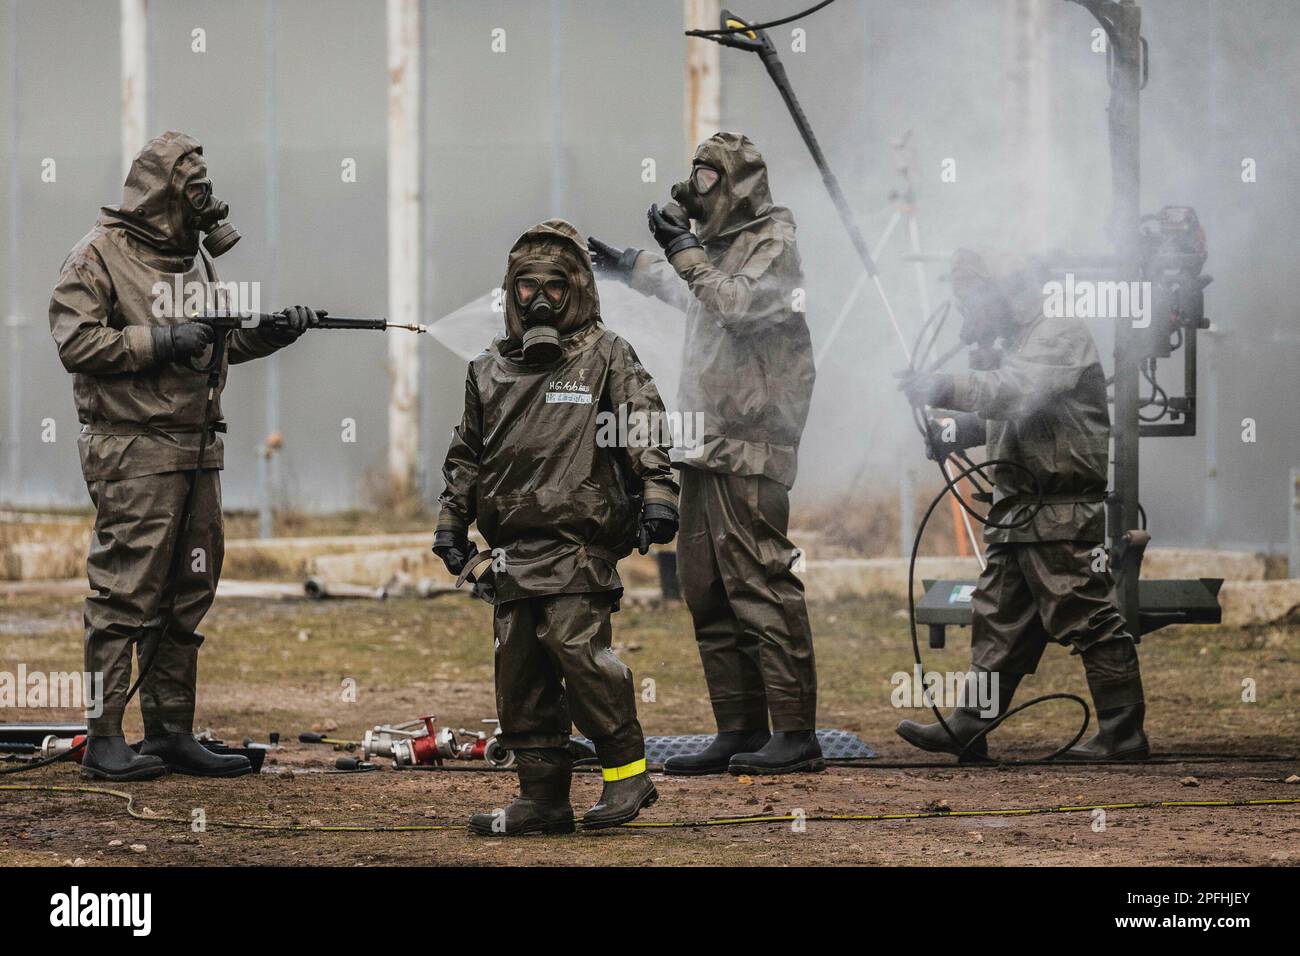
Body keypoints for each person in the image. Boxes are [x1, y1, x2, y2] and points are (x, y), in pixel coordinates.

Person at [48, 131, 316, 781]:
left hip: (198, 449)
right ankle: (105, 737)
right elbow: (77, 341)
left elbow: (207, 344)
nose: (206, 199)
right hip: (132, 449)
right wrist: (161, 340)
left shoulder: (192, 259)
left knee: (185, 594)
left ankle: (169, 732)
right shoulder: (98, 256)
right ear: (165, 193)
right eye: (194, 187)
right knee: (124, 594)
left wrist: (267, 335)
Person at [434, 219, 679, 835]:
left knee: (581, 657)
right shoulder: (487, 368)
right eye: (526, 287)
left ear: (578, 290)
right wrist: (450, 522)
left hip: (578, 543)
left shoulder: (606, 355)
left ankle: (628, 777)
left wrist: (657, 490)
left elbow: (644, 422)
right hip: (511, 553)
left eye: (554, 287)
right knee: (520, 674)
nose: (539, 300)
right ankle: (542, 798)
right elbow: (467, 454)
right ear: (510, 290)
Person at [588, 132, 821, 775]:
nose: (697, 189)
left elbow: (736, 304)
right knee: (708, 590)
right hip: (707, 438)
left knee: (760, 584)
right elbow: (696, 292)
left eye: (708, 177)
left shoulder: (775, 243)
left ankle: (795, 733)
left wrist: (684, 249)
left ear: (738, 183)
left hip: (750, 441)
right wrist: (633, 266)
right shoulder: (716, 251)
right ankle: (740, 728)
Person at [895, 248, 1149, 761]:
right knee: (999, 619)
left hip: (1058, 509)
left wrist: (943, 385)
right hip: (1018, 513)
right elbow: (1006, 418)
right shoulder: (1020, 341)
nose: (967, 315)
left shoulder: (1058, 332)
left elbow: (1015, 393)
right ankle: (969, 725)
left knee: (1087, 616)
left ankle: (1123, 734)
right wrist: (954, 430)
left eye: (971, 301)